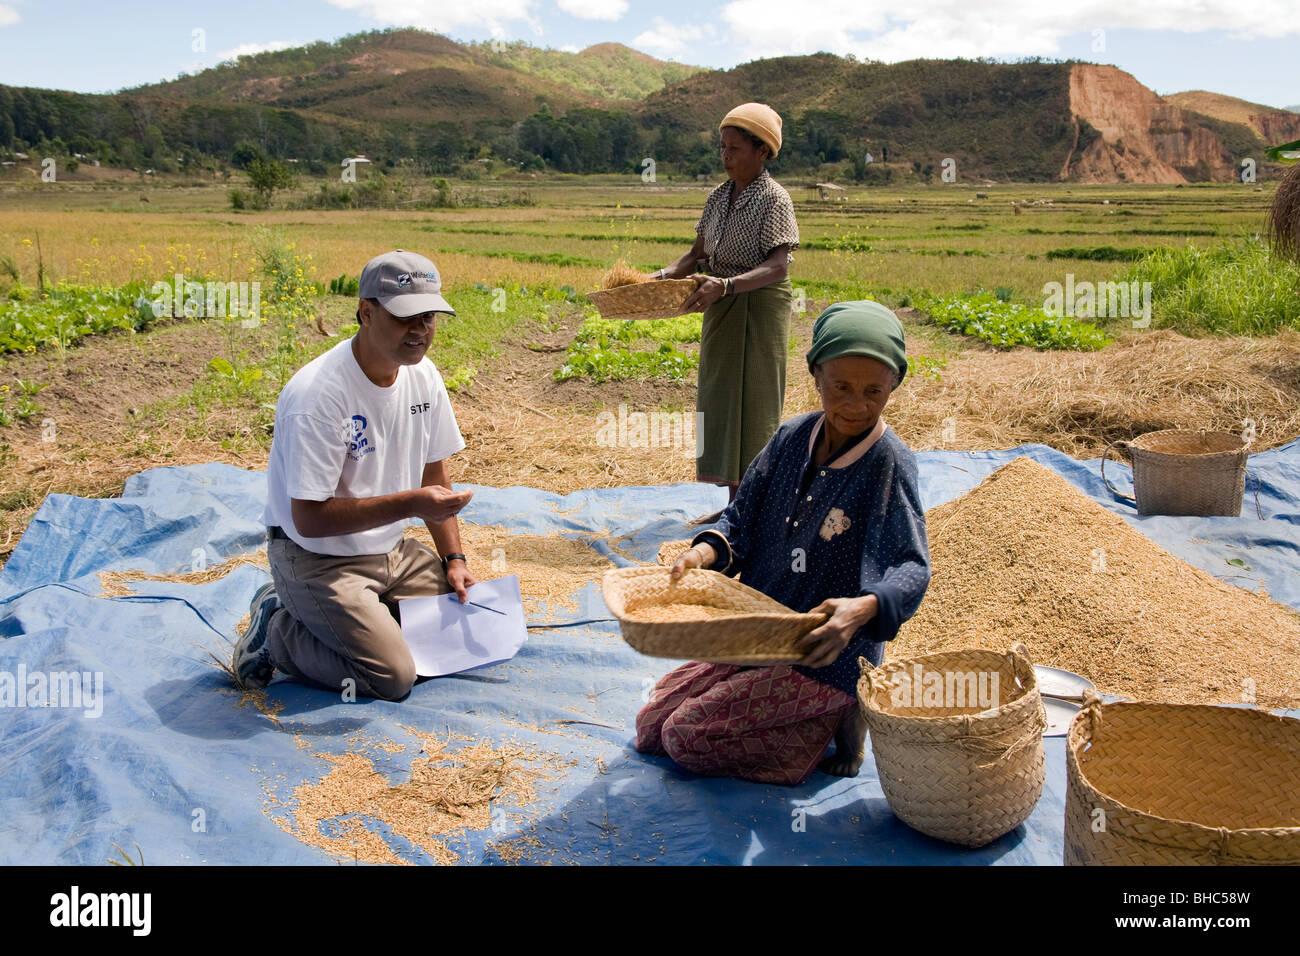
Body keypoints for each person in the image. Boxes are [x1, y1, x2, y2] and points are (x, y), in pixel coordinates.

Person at [635, 300, 931, 785]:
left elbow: (912, 566)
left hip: (820, 654)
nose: (856, 404)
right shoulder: (791, 436)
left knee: (685, 738)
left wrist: (859, 611)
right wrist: (703, 553)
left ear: (894, 384)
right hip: (760, 632)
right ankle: (805, 712)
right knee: (650, 727)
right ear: (815, 374)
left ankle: (839, 713)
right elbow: (741, 519)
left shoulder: (889, 463)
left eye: (874, 391)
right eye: (841, 387)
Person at [231, 250, 475, 701]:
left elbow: (433, 472)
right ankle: (277, 630)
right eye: (407, 317)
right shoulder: (319, 397)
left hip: (390, 551)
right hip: (319, 559)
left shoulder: (422, 376)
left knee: (456, 637)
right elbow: (310, 519)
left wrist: (454, 561)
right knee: (393, 677)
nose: (421, 330)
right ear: (366, 312)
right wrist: (410, 504)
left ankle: (364, 615)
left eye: (429, 317)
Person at [654, 102, 799, 518]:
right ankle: (734, 506)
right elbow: (696, 255)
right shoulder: (718, 197)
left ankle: (752, 508)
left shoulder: (774, 199)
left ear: (762, 151)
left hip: (759, 307)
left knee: (755, 406)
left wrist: (729, 284)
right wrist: (660, 277)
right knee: (720, 403)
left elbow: (778, 264)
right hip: (720, 302)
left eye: (734, 148)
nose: (726, 156)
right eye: (722, 147)